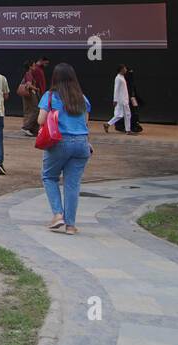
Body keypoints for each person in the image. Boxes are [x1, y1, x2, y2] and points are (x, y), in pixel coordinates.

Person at [38, 62, 93, 235]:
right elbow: (85, 123)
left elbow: (40, 120)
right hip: (82, 145)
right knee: (72, 184)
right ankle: (70, 225)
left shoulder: (50, 96)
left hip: (59, 142)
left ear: (55, 78)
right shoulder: (82, 98)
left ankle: (57, 214)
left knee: (49, 176)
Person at [106, 63, 131, 134]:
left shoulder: (122, 77)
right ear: (121, 69)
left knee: (122, 115)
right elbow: (116, 89)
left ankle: (107, 124)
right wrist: (115, 100)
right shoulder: (118, 78)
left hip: (124, 99)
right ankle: (128, 130)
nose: (126, 70)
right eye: (125, 68)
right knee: (125, 114)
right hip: (121, 100)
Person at [18, 59, 40, 136]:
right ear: (30, 67)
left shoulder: (28, 74)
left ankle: (33, 130)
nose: (35, 67)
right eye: (34, 65)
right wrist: (36, 89)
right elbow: (28, 85)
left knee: (30, 111)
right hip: (31, 94)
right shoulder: (29, 74)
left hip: (28, 94)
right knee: (36, 110)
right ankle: (26, 127)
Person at [125, 66, 144, 133]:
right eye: (129, 73)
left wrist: (135, 98)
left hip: (132, 99)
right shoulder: (124, 80)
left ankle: (134, 125)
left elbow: (133, 91)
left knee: (134, 112)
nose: (131, 74)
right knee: (121, 114)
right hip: (126, 99)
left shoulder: (131, 81)